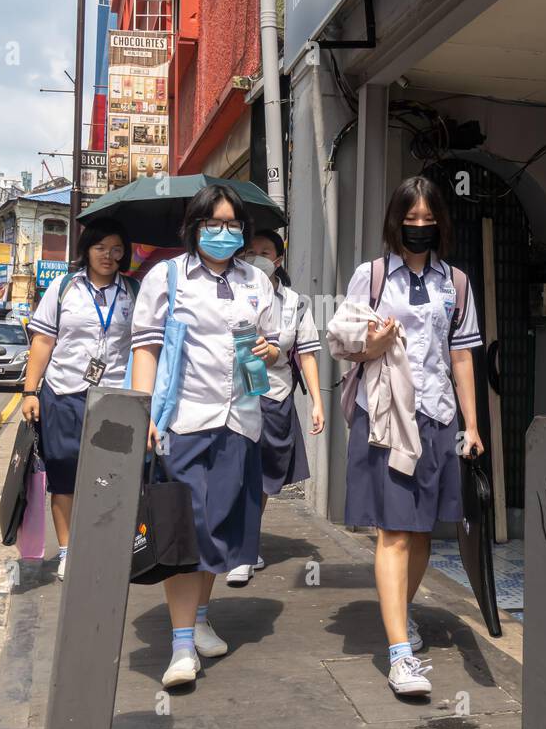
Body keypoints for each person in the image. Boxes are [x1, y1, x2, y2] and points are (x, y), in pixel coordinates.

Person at [129, 184, 284, 689]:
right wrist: (143, 412)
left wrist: (269, 353)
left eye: (231, 225)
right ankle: (178, 645)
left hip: (240, 421)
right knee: (183, 529)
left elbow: (276, 345)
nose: (222, 233)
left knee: (216, 527)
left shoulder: (255, 282)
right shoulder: (166, 278)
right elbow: (146, 347)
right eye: (212, 224)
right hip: (183, 423)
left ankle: (198, 617)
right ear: (194, 228)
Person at [336, 175, 484, 697]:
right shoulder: (372, 277)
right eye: (409, 219)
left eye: (428, 220)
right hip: (387, 418)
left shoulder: (456, 283)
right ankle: (400, 655)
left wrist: (471, 424)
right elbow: (346, 345)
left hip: (438, 417)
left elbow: (463, 355)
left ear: (440, 224)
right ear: (394, 222)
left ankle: (400, 611)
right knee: (393, 531)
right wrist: (373, 341)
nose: (418, 228)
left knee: (421, 532)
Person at [21, 217, 137, 582]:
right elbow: (43, 341)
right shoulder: (64, 286)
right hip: (64, 393)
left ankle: (106, 544)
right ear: (86, 249)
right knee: (65, 475)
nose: (108, 255)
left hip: (115, 398)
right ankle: (69, 550)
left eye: (116, 249)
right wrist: (29, 390)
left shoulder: (134, 291)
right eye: (100, 247)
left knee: (112, 475)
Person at [227, 229, 324, 585]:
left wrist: (317, 402)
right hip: (231, 395)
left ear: (278, 259)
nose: (256, 256)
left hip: (275, 395)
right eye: (250, 251)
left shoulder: (296, 303)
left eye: (264, 251)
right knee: (238, 473)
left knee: (262, 478)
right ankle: (242, 546)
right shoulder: (231, 293)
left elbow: (307, 352)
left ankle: (246, 546)